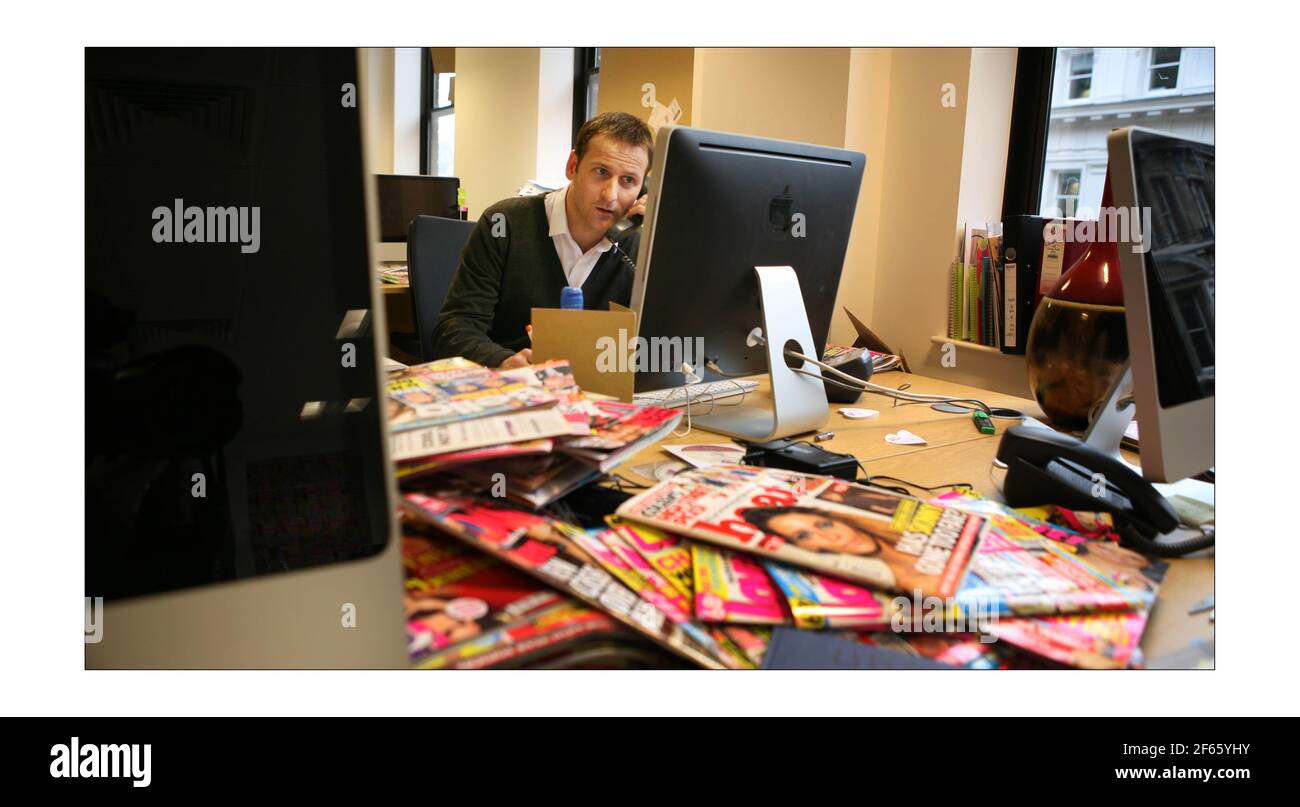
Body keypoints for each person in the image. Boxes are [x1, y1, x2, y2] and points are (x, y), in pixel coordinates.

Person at [431, 112, 653, 369]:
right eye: (601, 172)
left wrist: (658, 241)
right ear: (572, 166)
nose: (611, 195)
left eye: (629, 180)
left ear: (643, 190)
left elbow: (663, 344)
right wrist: (501, 360)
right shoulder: (504, 223)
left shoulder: (638, 245)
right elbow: (454, 327)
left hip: (602, 396)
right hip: (514, 390)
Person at [739, 504, 935, 593]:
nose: (832, 536)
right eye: (803, 536)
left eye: (824, 525)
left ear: (837, 520)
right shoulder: (908, 588)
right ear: (806, 548)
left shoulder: (927, 533)